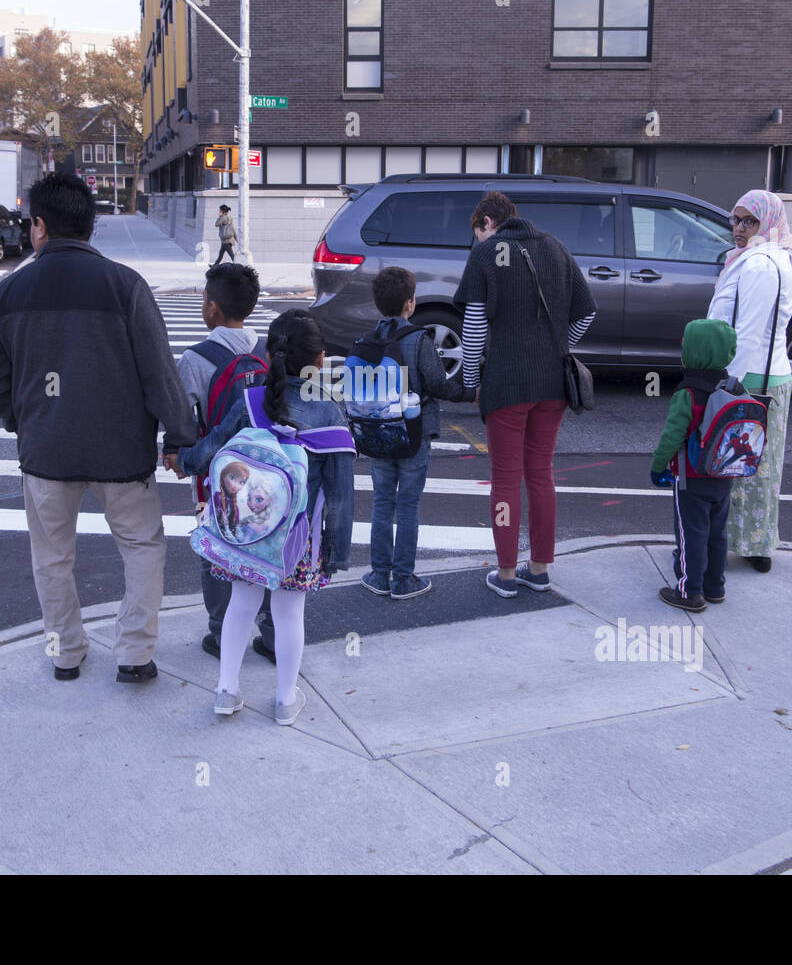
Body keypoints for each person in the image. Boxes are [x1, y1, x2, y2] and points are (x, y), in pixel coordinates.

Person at [0, 172, 196, 683]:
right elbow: (159, 373)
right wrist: (180, 436)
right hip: (122, 452)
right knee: (141, 547)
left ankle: (66, 655)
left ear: (38, 227)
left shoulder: (8, 294)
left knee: (52, 558)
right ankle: (134, 656)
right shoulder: (125, 286)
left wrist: (24, 420)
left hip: (46, 452)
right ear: (91, 228)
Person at [175, 309, 354, 726]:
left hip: (248, 532)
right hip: (298, 540)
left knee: (241, 603)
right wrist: (336, 551)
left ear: (269, 354)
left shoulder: (251, 400)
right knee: (289, 613)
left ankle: (226, 691)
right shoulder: (329, 413)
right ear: (320, 359)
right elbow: (341, 492)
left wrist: (183, 459)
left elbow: (211, 448)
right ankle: (285, 700)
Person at [454, 192, 597, 598]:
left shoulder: (486, 255)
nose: (477, 241)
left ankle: (505, 574)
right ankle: (539, 568)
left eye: (476, 232)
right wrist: (559, 346)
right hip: (553, 384)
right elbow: (586, 312)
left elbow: (475, 328)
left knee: (504, 480)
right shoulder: (556, 248)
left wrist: (469, 380)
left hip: (507, 384)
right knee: (541, 476)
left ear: (485, 222)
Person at [165, 262, 276, 662]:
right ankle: (273, 633)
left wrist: (178, 454)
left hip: (217, 478)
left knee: (216, 550)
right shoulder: (269, 350)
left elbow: (179, 416)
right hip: (269, 476)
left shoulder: (197, 358)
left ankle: (220, 632)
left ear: (211, 308)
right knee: (266, 546)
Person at [359, 266, 476, 599]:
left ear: (377, 304)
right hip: (414, 433)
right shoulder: (419, 340)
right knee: (408, 504)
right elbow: (439, 385)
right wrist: (471, 392)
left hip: (378, 434)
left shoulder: (368, 340)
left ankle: (379, 575)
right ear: (410, 303)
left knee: (382, 503)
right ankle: (403, 579)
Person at [707, 189, 792, 574]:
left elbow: (747, 331)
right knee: (751, 465)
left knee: (747, 466)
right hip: (758, 374)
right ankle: (746, 542)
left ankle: (752, 545)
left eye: (749, 221)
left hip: (753, 377)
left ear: (768, 223)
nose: (739, 228)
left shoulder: (761, 264)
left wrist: (728, 384)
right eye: (735, 219)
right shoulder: (754, 257)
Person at [649, 319, 741, 612]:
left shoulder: (687, 393)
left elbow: (672, 435)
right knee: (717, 532)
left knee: (692, 534)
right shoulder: (734, 388)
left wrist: (658, 466)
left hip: (691, 477)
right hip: (725, 473)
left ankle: (690, 592)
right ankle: (715, 587)